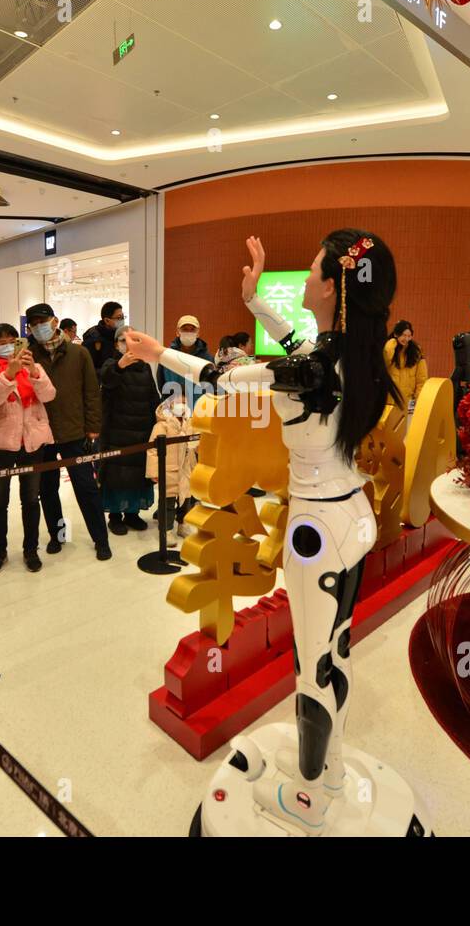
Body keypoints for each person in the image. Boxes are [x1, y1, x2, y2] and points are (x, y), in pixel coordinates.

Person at [126, 231, 402, 833]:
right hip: (351, 512)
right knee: (337, 649)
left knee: (311, 664)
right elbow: (297, 341)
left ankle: (307, 795)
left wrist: (156, 353)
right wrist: (254, 302)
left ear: (332, 285)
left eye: (311, 269)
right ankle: (324, 767)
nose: (302, 279)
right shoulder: (351, 353)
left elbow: (223, 376)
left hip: (317, 527)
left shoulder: (310, 368)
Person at [24, 302, 111, 561]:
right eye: (34, 324)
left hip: (75, 431)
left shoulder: (78, 353)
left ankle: (100, 539)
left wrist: (93, 427)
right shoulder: (29, 355)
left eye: (44, 321)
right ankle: (58, 535)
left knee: (86, 487)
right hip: (44, 434)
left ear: (55, 321)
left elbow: (91, 392)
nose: (40, 328)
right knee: (47, 490)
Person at [0, 324, 55, 574]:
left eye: (13, 340)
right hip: (0, 443)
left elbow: (50, 395)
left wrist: (33, 371)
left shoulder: (34, 366)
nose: (10, 345)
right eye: (3, 342)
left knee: (31, 499)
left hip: (32, 441)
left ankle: (31, 549)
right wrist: (8, 374)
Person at [98, 324, 160, 534]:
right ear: (117, 344)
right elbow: (106, 381)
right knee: (116, 475)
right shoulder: (110, 363)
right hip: (116, 432)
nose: (128, 344)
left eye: (133, 339)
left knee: (137, 475)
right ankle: (115, 516)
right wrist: (119, 366)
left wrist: (159, 419)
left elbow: (153, 396)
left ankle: (132, 514)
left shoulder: (145, 367)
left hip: (141, 431)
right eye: (123, 340)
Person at [145, 394, 197, 547]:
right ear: (169, 405)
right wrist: (154, 472)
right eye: (179, 402)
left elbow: (195, 444)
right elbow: (152, 450)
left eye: (185, 402)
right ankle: (166, 530)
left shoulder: (190, 423)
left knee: (186, 501)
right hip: (168, 471)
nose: (183, 405)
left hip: (186, 471)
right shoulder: (162, 426)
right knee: (167, 503)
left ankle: (183, 525)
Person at [155, 314, 213, 408]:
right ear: (177, 332)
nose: (188, 332)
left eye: (192, 329)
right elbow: (161, 384)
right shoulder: (167, 356)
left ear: (198, 333)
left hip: (199, 410)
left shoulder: (207, 359)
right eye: (185, 329)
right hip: (173, 410)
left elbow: (210, 388)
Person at [384, 320, 429, 411]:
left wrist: (417, 399)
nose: (406, 339)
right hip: (389, 401)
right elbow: (384, 362)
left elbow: (422, 378)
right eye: (403, 335)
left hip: (409, 401)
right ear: (396, 334)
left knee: (409, 425)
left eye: (409, 336)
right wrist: (391, 343)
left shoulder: (416, 352)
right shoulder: (389, 348)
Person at [81, 301, 123, 371]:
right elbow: (88, 369)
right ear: (107, 320)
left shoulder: (120, 337)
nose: (122, 321)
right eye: (119, 318)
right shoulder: (92, 340)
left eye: (123, 317)